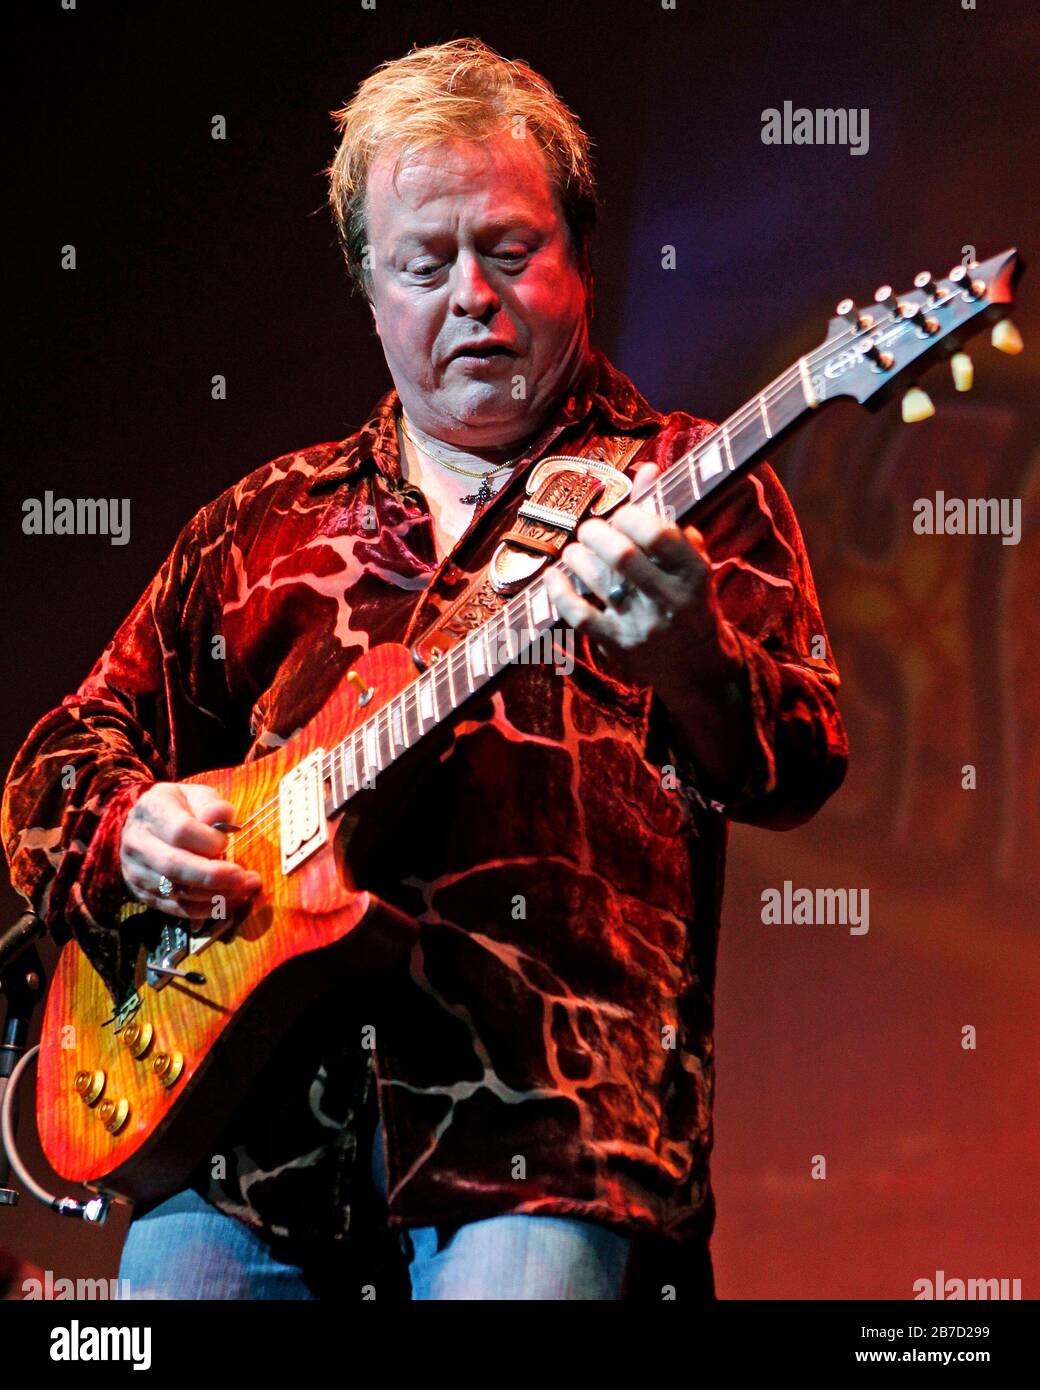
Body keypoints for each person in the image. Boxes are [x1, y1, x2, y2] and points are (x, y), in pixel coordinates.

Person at [1, 38, 847, 1300]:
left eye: (510, 250)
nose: (473, 296)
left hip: (547, 1133)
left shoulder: (686, 483)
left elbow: (797, 759)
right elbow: (63, 752)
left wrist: (690, 656)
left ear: (578, 256)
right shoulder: (264, 523)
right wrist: (131, 829)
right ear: (370, 288)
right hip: (243, 1152)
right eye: (425, 263)